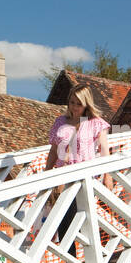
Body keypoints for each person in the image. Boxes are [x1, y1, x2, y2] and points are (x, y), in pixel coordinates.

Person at [44, 85, 112, 253]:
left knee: (81, 219)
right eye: (72, 102)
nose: (74, 107)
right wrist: (46, 173)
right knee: (62, 220)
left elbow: (104, 150)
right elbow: (53, 150)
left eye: (78, 103)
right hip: (62, 176)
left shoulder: (95, 123)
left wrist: (107, 175)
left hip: (85, 176)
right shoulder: (60, 122)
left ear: (86, 104)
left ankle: (95, 258)